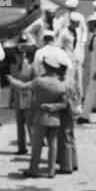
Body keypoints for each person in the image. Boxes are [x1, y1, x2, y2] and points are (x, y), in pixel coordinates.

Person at [27, 49, 71, 177]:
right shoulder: (61, 84)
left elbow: (29, 92)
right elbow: (63, 103)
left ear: (46, 67)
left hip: (41, 117)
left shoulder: (40, 81)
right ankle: (51, 170)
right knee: (53, 145)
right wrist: (53, 106)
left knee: (37, 145)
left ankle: (33, 169)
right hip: (55, 118)